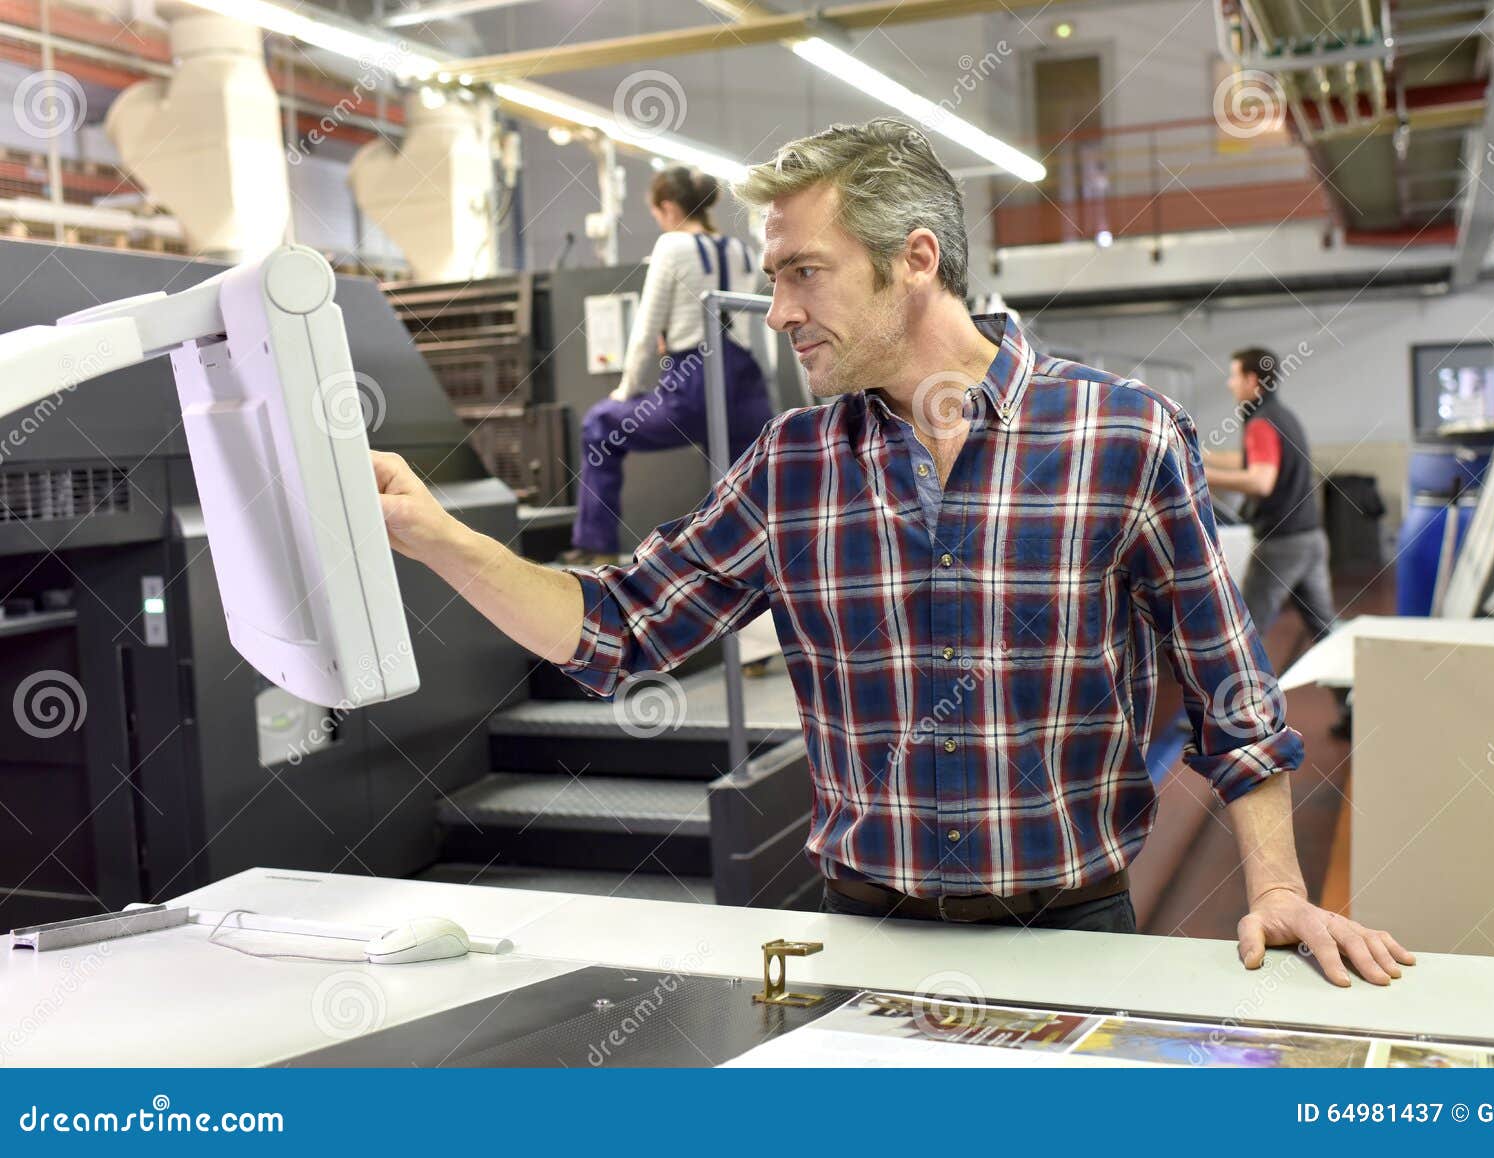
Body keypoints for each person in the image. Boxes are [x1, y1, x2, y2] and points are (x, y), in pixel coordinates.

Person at [373, 120, 1411, 987]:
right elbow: (615, 630)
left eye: (803, 273)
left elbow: (1233, 695)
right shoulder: (791, 466)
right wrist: (440, 539)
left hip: (1073, 934)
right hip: (862, 939)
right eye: (773, 276)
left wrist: (1277, 889)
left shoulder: (1122, 437)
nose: (778, 312)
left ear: (915, 260)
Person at [562, 167, 773, 566]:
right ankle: (759, 556)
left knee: (600, 423)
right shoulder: (742, 250)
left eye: (657, 212)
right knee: (741, 471)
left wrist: (626, 390)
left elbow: (646, 330)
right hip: (747, 385)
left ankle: (597, 543)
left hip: (693, 381)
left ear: (670, 208)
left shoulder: (672, 246)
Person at [1201, 349, 1350, 738]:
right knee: (1324, 628)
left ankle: (1232, 718)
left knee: (1244, 631)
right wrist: (1204, 457)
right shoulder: (1280, 417)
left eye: (1234, 376)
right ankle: (1353, 707)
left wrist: (1203, 477)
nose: (1230, 383)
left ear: (1252, 380)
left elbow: (1261, 481)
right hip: (1311, 537)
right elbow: (1255, 462)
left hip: (1283, 544)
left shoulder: (1262, 423)